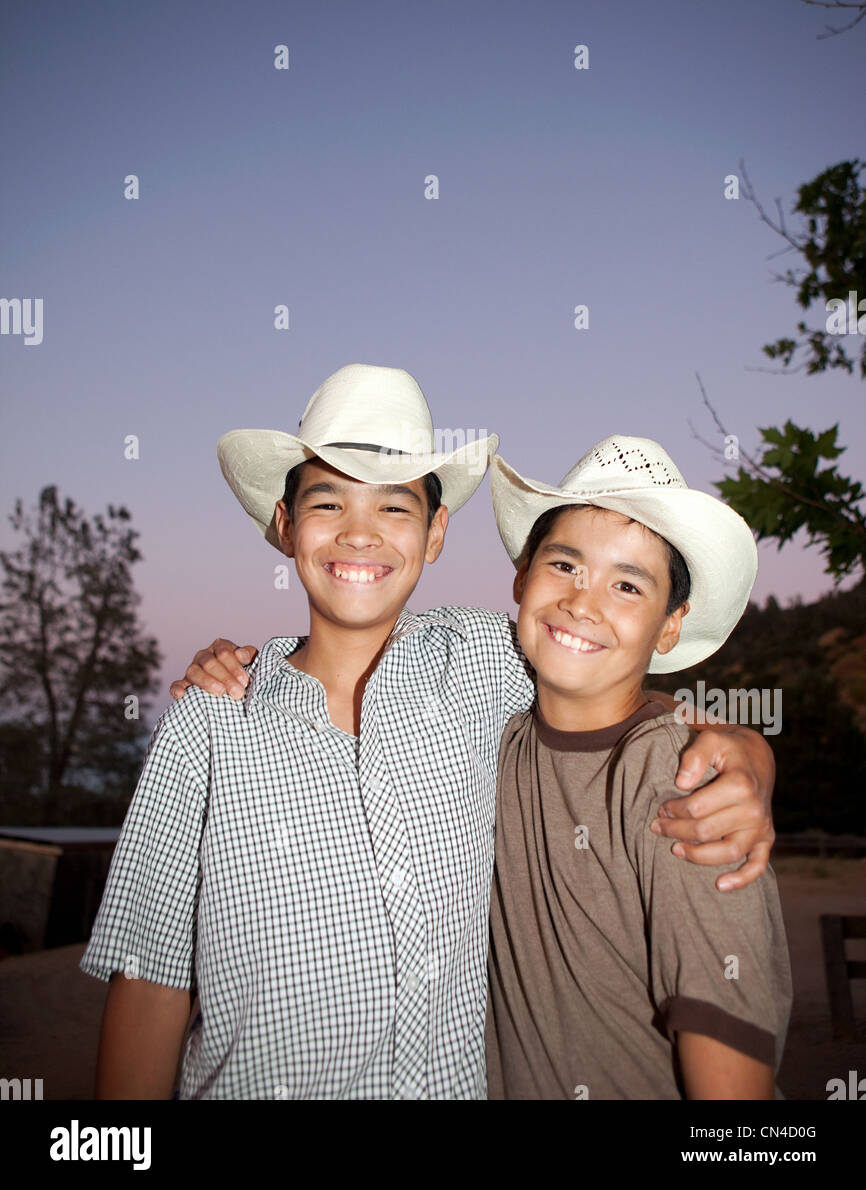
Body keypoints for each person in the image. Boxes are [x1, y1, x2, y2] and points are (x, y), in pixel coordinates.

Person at [87, 365, 775, 1099]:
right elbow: (151, 978)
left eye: (394, 508)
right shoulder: (209, 721)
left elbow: (608, 680)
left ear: (436, 532)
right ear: (285, 525)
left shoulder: (486, 660)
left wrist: (749, 752)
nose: (360, 533)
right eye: (328, 502)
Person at [484, 437, 792, 1099]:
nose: (583, 602)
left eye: (627, 584)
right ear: (522, 575)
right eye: (565, 564)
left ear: (670, 627)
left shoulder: (682, 781)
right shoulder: (490, 739)